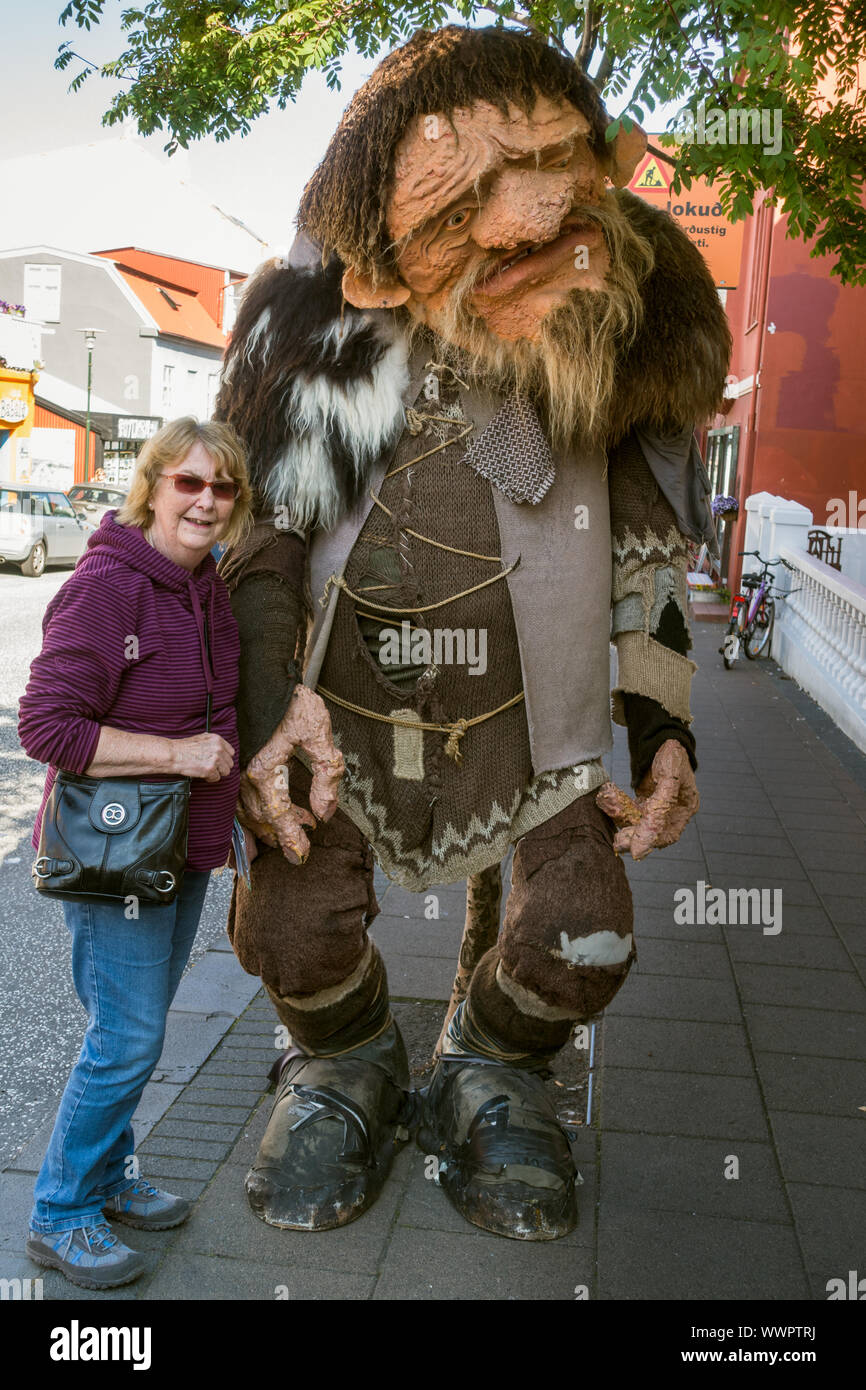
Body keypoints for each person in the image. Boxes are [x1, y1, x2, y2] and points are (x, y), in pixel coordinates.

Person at [215, 24, 729, 1241]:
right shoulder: (330, 349)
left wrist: (662, 731)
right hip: (342, 721)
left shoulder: (591, 357)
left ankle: (490, 1070)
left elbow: (644, 572)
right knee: (285, 923)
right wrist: (265, 707)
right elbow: (267, 538)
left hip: (530, 730)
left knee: (588, 927)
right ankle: (345, 1067)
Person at [18, 416, 252, 1289]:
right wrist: (177, 755)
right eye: (188, 482)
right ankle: (61, 1214)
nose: (206, 500)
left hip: (176, 849)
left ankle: (108, 1181)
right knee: (125, 1038)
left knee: (136, 1036)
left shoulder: (203, 586)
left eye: (223, 487)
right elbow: (46, 726)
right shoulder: (108, 587)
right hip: (116, 853)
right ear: (151, 485)